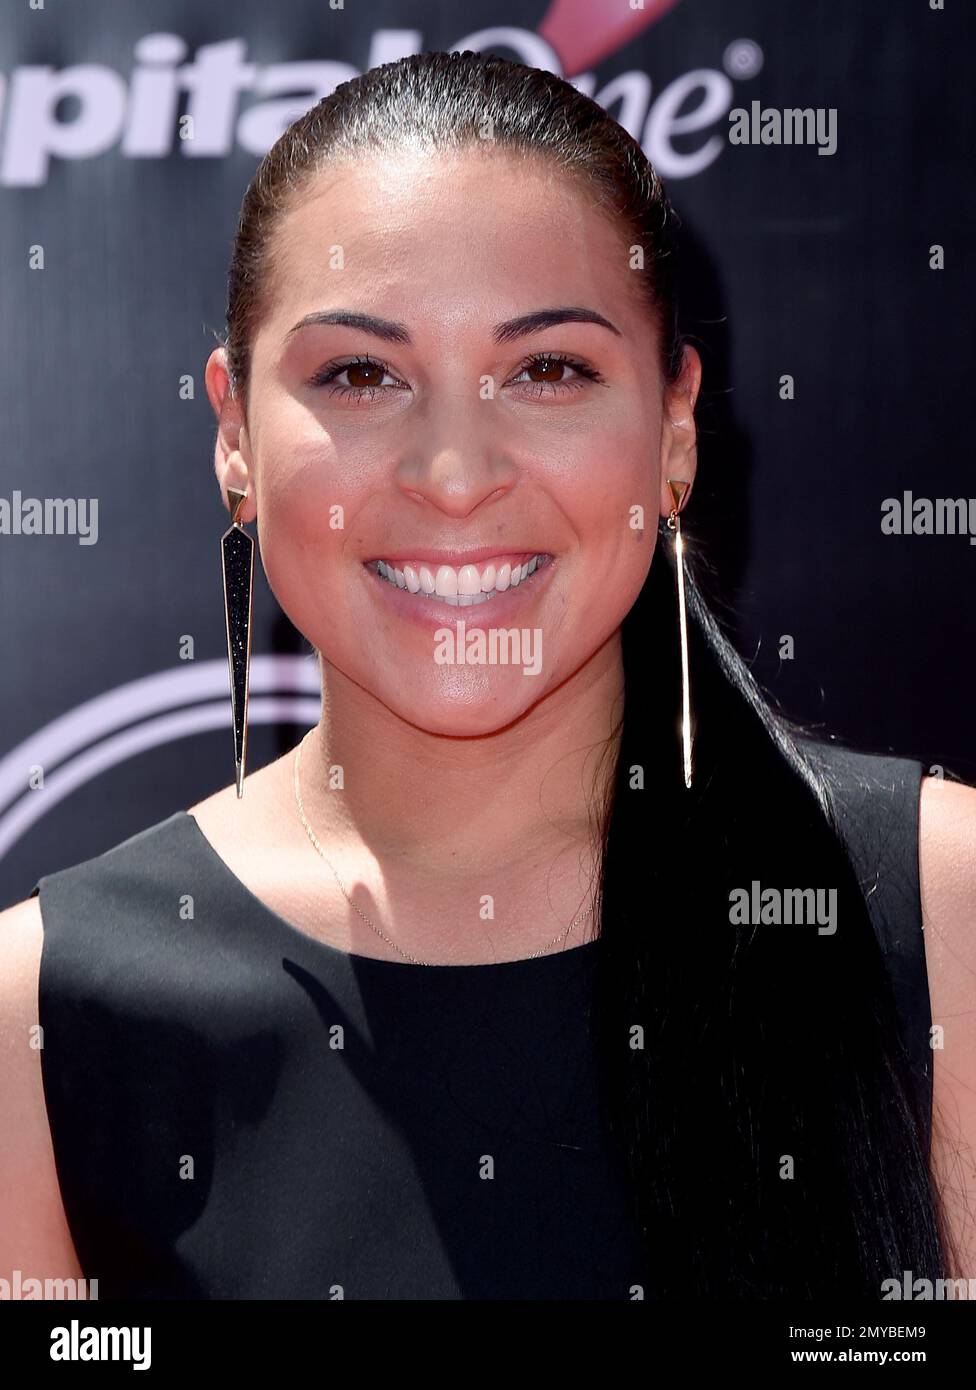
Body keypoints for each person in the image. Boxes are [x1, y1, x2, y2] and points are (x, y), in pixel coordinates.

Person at [1, 50, 974, 1301]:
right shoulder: (39, 1018)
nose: (453, 474)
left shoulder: (937, 912)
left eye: (546, 370)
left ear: (675, 427)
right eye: (360, 374)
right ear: (233, 433)